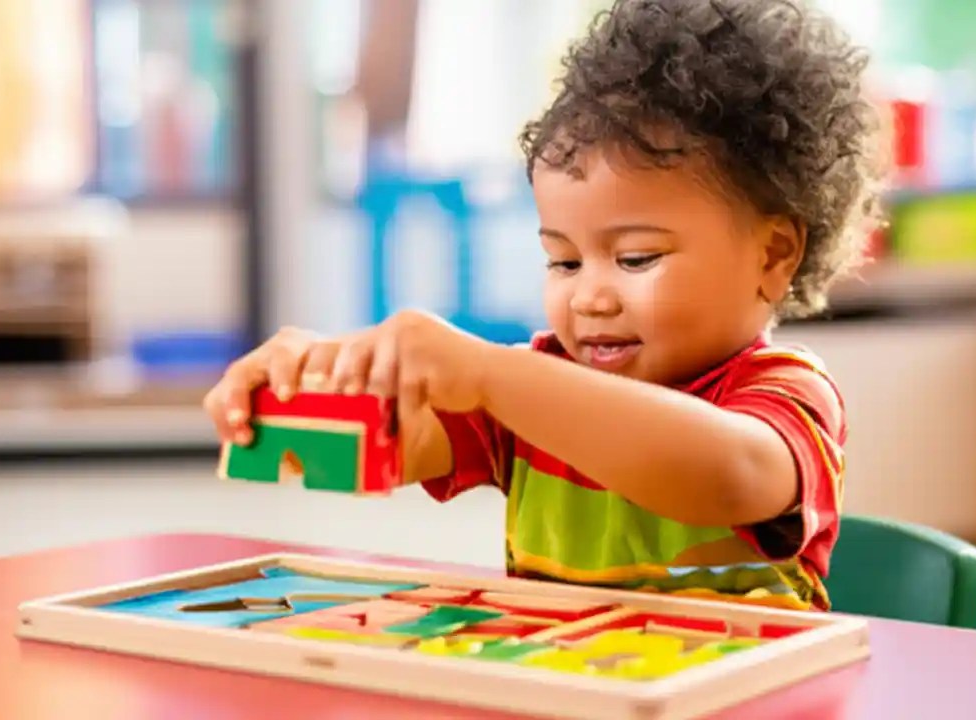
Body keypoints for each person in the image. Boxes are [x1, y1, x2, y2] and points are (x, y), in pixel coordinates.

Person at [204, 0, 886, 612]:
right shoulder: (532, 393)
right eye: (563, 260)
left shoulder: (785, 394)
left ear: (772, 255)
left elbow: (725, 475)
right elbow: (394, 445)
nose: (588, 295)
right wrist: (305, 394)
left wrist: (492, 376)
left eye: (636, 258)